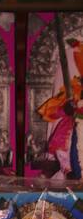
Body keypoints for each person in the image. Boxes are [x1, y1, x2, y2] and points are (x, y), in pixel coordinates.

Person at [37, 37, 83, 178]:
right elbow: (54, 110)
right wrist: (67, 109)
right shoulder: (75, 88)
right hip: (75, 127)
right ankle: (71, 173)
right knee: (68, 149)